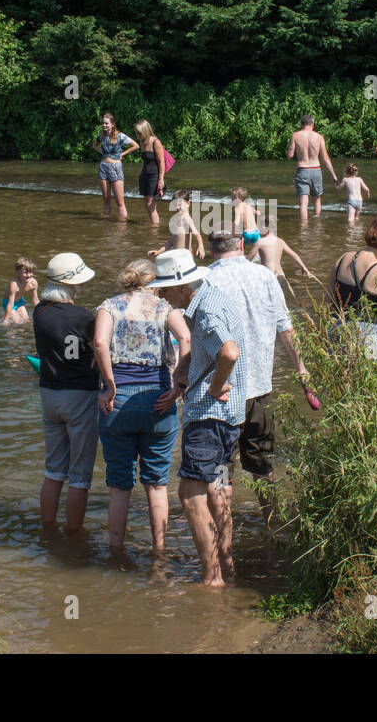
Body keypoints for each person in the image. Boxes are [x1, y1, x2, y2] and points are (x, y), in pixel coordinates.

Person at [148, 248, 247, 586]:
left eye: (164, 288)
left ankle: (212, 578)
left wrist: (216, 386)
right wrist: (188, 368)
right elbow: (216, 349)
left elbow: (229, 352)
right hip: (230, 419)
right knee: (218, 488)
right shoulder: (214, 298)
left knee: (190, 496)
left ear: (181, 287)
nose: (161, 294)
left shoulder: (204, 310)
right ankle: (226, 564)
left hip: (209, 418)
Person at [205, 232, 314, 526]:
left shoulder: (205, 280)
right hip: (258, 387)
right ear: (242, 245)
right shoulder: (265, 277)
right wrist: (302, 368)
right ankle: (273, 525)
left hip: (219, 391)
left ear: (211, 249)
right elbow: (286, 329)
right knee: (261, 462)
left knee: (221, 466)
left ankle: (222, 534)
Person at [93, 259, 191, 551]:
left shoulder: (109, 306)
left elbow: (99, 343)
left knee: (120, 484)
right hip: (158, 398)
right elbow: (185, 337)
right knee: (157, 483)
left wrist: (109, 385)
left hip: (118, 399)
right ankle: (159, 551)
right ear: (154, 281)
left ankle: (115, 551)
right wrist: (179, 383)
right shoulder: (165, 308)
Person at [32, 252, 100, 534]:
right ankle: (74, 536)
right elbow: (100, 350)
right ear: (73, 284)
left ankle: (47, 529)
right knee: (80, 477)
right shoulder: (85, 317)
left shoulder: (40, 312)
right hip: (80, 395)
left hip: (49, 394)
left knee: (53, 472)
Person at [326, 216, 377, 364]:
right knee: (370, 386)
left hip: (337, 333)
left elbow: (328, 302)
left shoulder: (343, 259)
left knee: (340, 384)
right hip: (367, 339)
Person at [287, 115, 338, 219]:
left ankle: (303, 229)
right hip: (316, 170)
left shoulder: (296, 135)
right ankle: (317, 227)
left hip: (303, 170)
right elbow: (325, 158)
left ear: (302, 124)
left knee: (303, 203)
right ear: (312, 124)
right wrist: (333, 175)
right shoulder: (319, 137)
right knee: (317, 200)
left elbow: (290, 156)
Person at [93, 113, 137, 220]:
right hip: (103, 167)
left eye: (106, 123)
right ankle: (106, 225)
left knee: (119, 202)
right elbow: (94, 145)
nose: (104, 125)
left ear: (113, 124)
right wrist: (103, 152)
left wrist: (122, 154)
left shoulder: (120, 135)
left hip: (115, 167)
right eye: (103, 123)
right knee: (106, 200)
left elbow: (135, 145)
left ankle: (122, 226)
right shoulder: (101, 135)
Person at [248, 213, 313, 282]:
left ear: (266, 227)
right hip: (281, 275)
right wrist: (304, 267)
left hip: (269, 276)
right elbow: (295, 255)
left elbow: (248, 260)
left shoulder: (260, 242)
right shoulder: (280, 241)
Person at [149, 189, 206, 259]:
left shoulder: (187, 219)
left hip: (186, 257)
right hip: (177, 257)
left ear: (188, 204)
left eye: (179, 204)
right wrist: (158, 252)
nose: (177, 207)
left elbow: (197, 234)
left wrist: (201, 246)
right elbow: (171, 241)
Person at [133, 120, 168, 224]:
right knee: (147, 203)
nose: (137, 135)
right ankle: (155, 224)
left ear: (145, 131)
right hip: (144, 175)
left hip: (154, 175)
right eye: (136, 132)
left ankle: (155, 227)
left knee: (150, 204)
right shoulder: (142, 142)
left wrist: (161, 179)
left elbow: (162, 162)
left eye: (139, 132)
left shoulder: (155, 142)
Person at [2, 256, 39, 325]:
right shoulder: (14, 284)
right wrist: (5, 320)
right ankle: (11, 331)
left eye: (31, 272)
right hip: (8, 302)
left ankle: (23, 334)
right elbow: (10, 303)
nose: (28, 275)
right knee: (17, 321)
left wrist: (41, 313)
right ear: (18, 272)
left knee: (26, 320)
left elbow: (35, 300)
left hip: (19, 301)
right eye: (25, 272)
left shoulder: (33, 283)